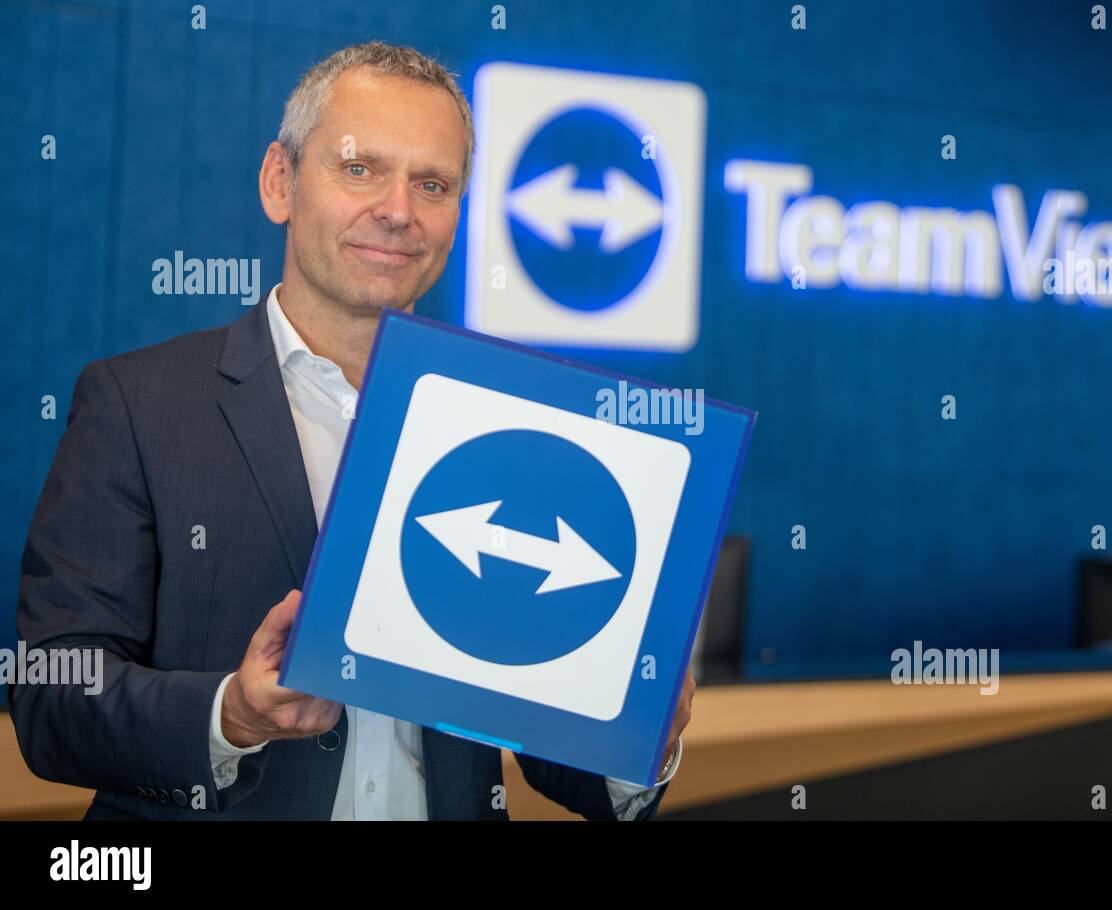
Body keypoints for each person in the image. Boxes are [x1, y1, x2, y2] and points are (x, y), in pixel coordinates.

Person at [11, 41, 693, 821]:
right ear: (280, 182)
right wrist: (229, 715)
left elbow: (543, 732)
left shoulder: (514, 428)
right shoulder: (135, 403)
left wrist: (642, 735)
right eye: (360, 167)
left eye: (431, 183)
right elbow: (53, 691)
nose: (398, 210)